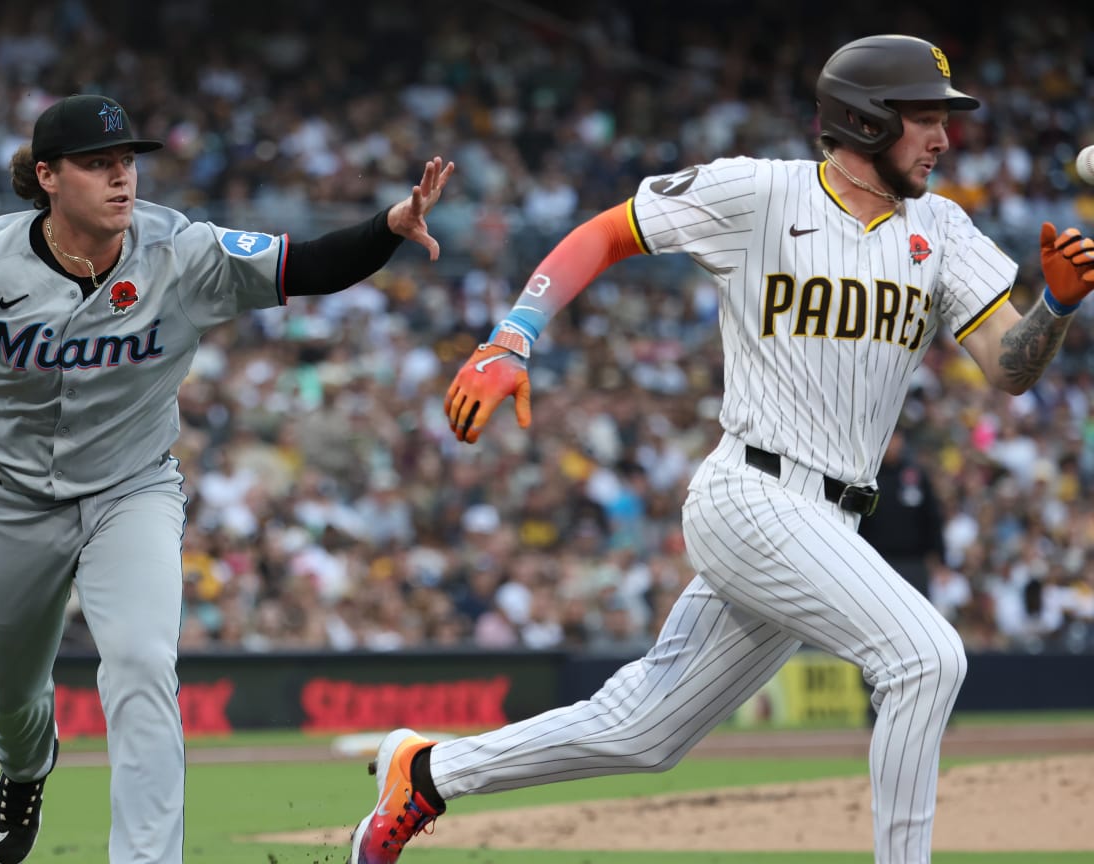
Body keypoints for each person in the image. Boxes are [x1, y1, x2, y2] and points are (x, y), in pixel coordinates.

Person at [350, 34, 1094, 864]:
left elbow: (1007, 366)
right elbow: (604, 233)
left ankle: (428, 772)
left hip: (830, 522)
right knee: (925, 657)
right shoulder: (761, 193)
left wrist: (1055, 310)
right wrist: (513, 333)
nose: (943, 138)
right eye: (924, 118)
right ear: (866, 122)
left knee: (644, 730)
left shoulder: (941, 229)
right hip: (751, 491)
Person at [0, 94, 453, 864]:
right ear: (47, 176)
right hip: (13, 500)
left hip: (131, 490)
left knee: (144, 662)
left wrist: (387, 228)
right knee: (13, 696)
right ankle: (24, 769)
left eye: (127, 162)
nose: (121, 179)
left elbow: (304, 264)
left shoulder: (180, 251)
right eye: (97, 164)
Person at [858, 429, 945, 597]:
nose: (893, 445)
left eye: (896, 439)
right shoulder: (868, 477)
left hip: (913, 562)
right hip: (876, 561)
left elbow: (931, 517)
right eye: (889, 439)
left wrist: (941, 559)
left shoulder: (915, 475)